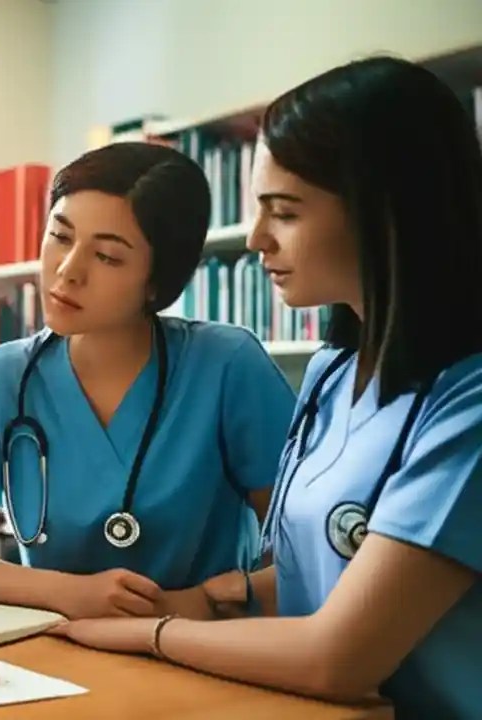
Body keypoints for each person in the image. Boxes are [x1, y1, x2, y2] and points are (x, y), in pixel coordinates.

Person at [52, 56, 482, 718]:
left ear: (386, 211)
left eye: (284, 212)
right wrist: (214, 598)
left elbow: (338, 657)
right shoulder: (331, 372)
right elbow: (330, 565)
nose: (255, 239)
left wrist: (153, 633)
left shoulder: (468, 405)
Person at [0, 142, 297, 620]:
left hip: (206, 652)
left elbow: (308, 553)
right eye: (60, 236)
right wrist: (70, 594)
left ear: (158, 280)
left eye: (108, 257)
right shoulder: (6, 376)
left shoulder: (227, 365)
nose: (68, 272)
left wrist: (204, 602)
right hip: (64, 650)